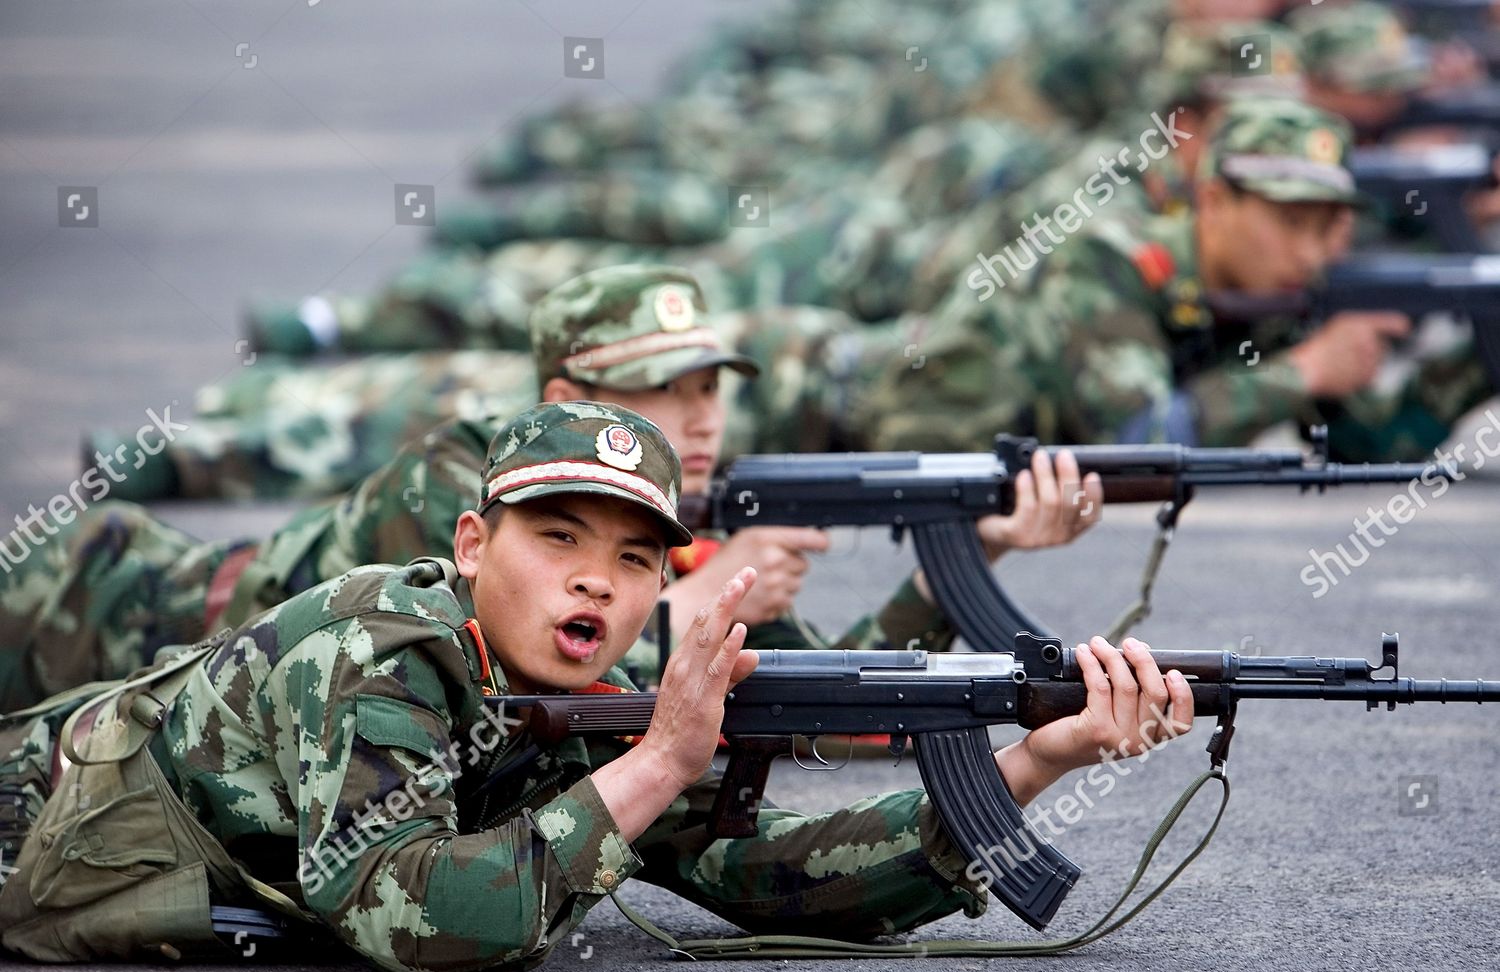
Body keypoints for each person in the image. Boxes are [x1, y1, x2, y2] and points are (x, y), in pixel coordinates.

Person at [0, 400, 1194, 972]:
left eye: (635, 557)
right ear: (471, 545)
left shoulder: (591, 694)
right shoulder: (377, 645)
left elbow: (769, 874)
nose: (597, 580)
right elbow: (412, 919)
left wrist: (1041, 757)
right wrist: (662, 764)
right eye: (557, 537)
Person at [0, 265, 1098, 711]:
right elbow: (532, 672)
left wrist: (982, 550)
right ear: (569, 391)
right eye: (664, 392)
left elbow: (821, 702)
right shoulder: (465, 478)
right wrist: (688, 606)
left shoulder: (667, 516)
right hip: (101, 608)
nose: (704, 417)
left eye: (712, 385)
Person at [863, 97, 1491, 461]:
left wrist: (1481, 361)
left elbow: (1362, 447)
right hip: (830, 399)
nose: (1311, 250)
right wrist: (1302, 371)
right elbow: (1141, 440)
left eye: (1330, 226)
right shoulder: (1107, 258)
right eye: (1292, 220)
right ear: (1214, 201)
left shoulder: (1265, 296)